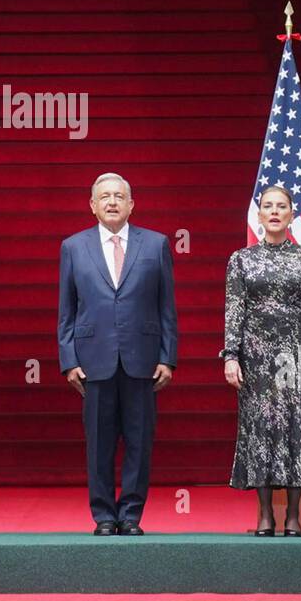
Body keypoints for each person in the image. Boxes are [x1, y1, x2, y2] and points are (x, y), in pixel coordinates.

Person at [58, 173, 178, 535]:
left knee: (140, 441)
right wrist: (69, 359)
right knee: (99, 441)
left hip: (142, 358)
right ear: (92, 205)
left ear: (131, 204)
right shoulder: (74, 247)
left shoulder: (155, 244)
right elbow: (67, 309)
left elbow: (166, 307)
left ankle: (131, 515)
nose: (112, 202)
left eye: (119, 196)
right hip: (93, 359)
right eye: (104, 197)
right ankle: (104, 515)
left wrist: (167, 356)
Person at [221, 184, 301, 537]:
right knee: (260, 430)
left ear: (291, 214)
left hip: (294, 354)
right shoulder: (241, 259)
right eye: (267, 206)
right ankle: (266, 514)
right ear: (259, 215)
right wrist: (231, 356)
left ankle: (294, 516)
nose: (273, 212)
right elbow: (234, 311)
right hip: (255, 356)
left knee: (295, 429)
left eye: (281, 206)